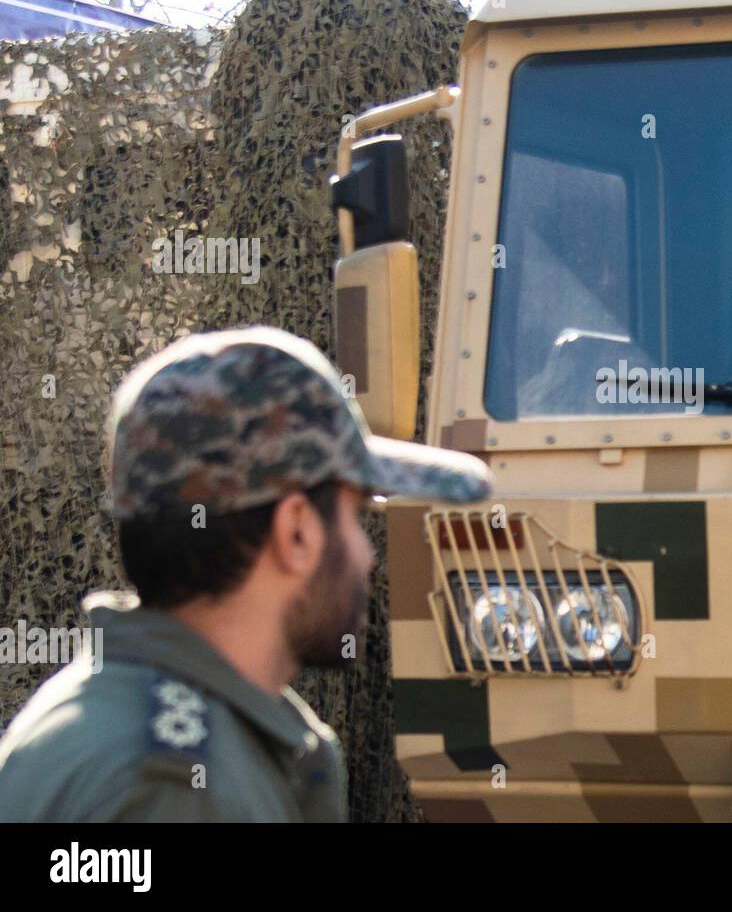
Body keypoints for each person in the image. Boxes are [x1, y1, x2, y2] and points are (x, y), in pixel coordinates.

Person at [0, 326, 491, 821]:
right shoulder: (177, 788)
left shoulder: (102, 722)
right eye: (354, 517)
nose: (368, 555)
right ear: (296, 532)